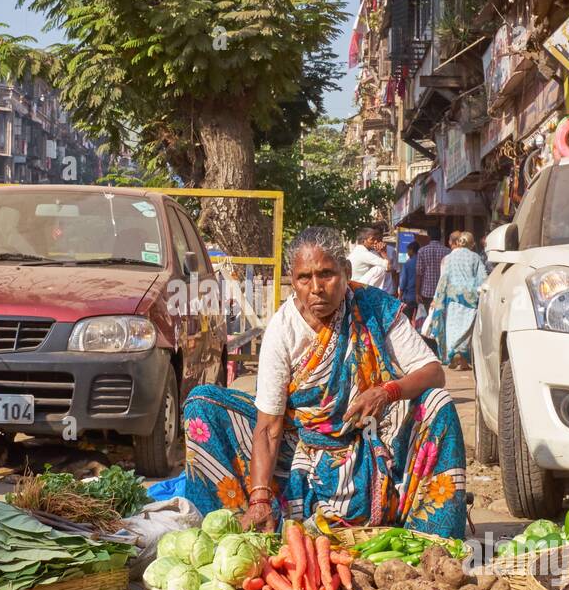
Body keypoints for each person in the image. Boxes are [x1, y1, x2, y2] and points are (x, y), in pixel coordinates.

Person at [182, 226, 468, 538]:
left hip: (369, 439)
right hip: (299, 446)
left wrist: (388, 391)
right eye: (305, 278)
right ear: (294, 281)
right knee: (203, 405)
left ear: (346, 272)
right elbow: (268, 426)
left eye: (327, 274)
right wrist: (260, 496)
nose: (316, 287)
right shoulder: (283, 327)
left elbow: (433, 371)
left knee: (437, 403)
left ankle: (430, 539)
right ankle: (236, 530)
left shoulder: (373, 308)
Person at [422, 231, 488, 371]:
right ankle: (461, 359)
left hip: (453, 300)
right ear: (472, 244)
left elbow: (443, 279)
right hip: (470, 300)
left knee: (452, 329)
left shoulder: (449, 258)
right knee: (466, 330)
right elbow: (483, 278)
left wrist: (437, 298)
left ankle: (455, 356)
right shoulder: (475, 257)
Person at [414, 229, 449, 315]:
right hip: (443, 291)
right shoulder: (447, 251)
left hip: (426, 292)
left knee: (428, 317)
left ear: (429, 237)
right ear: (441, 237)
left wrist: (417, 293)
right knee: (440, 317)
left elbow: (419, 273)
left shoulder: (422, 251)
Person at [398, 237, 423, 320]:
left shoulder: (408, 263)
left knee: (406, 319)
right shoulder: (422, 261)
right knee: (421, 320)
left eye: (408, 250)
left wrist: (400, 296)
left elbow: (403, 282)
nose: (407, 253)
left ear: (412, 250)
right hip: (421, 295)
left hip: (409, 296)